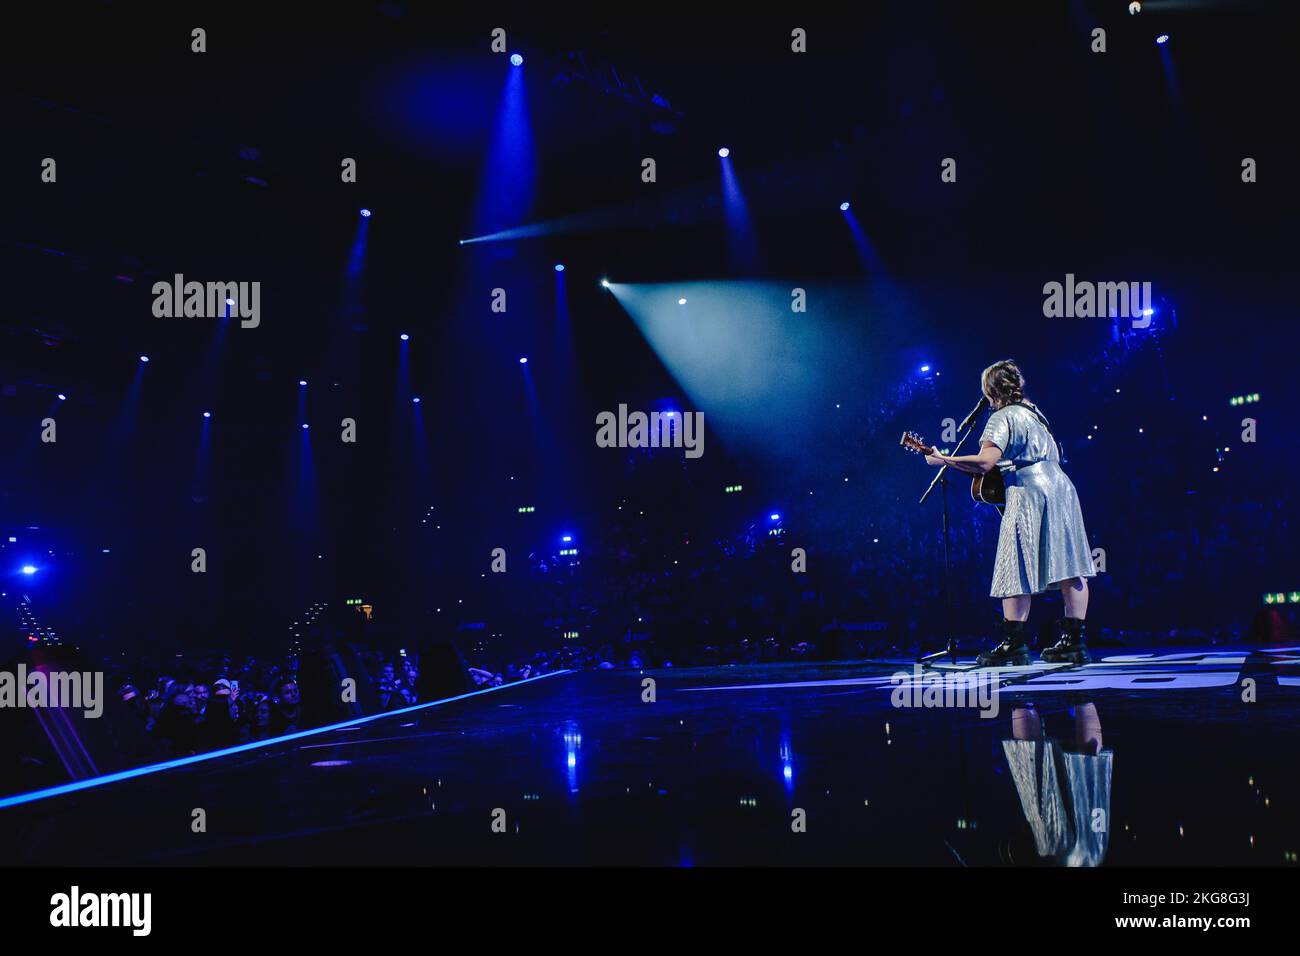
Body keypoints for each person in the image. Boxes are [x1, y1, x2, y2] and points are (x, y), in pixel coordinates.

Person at [923, 359, 1096, 665]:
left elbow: (986, 462)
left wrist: (944, 460)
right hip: (1061, 486)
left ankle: (1014, 644)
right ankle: (1074, 643)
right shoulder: (1035, 413)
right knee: (1071, 564)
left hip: (1029, 491)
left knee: (1014, 564)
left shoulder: (1001, 417)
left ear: (989, 391)